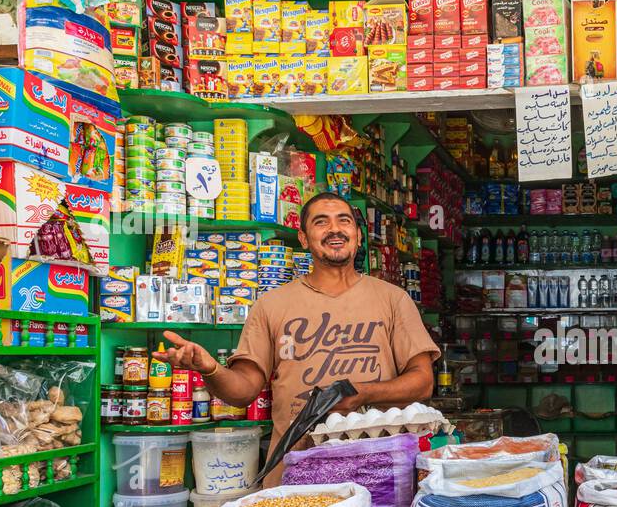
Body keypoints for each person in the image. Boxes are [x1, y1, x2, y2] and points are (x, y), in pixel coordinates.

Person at [155, 191, 439, 485]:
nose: (335, 230)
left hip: (378, 471)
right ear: (303, 238)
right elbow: (243, 390)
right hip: (295, 474)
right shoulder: (272, 305)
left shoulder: (393, 299)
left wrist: (363, 393)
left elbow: (423, 381)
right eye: (321, 222)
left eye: (344, 221)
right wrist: (210, 369)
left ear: (357, 234)